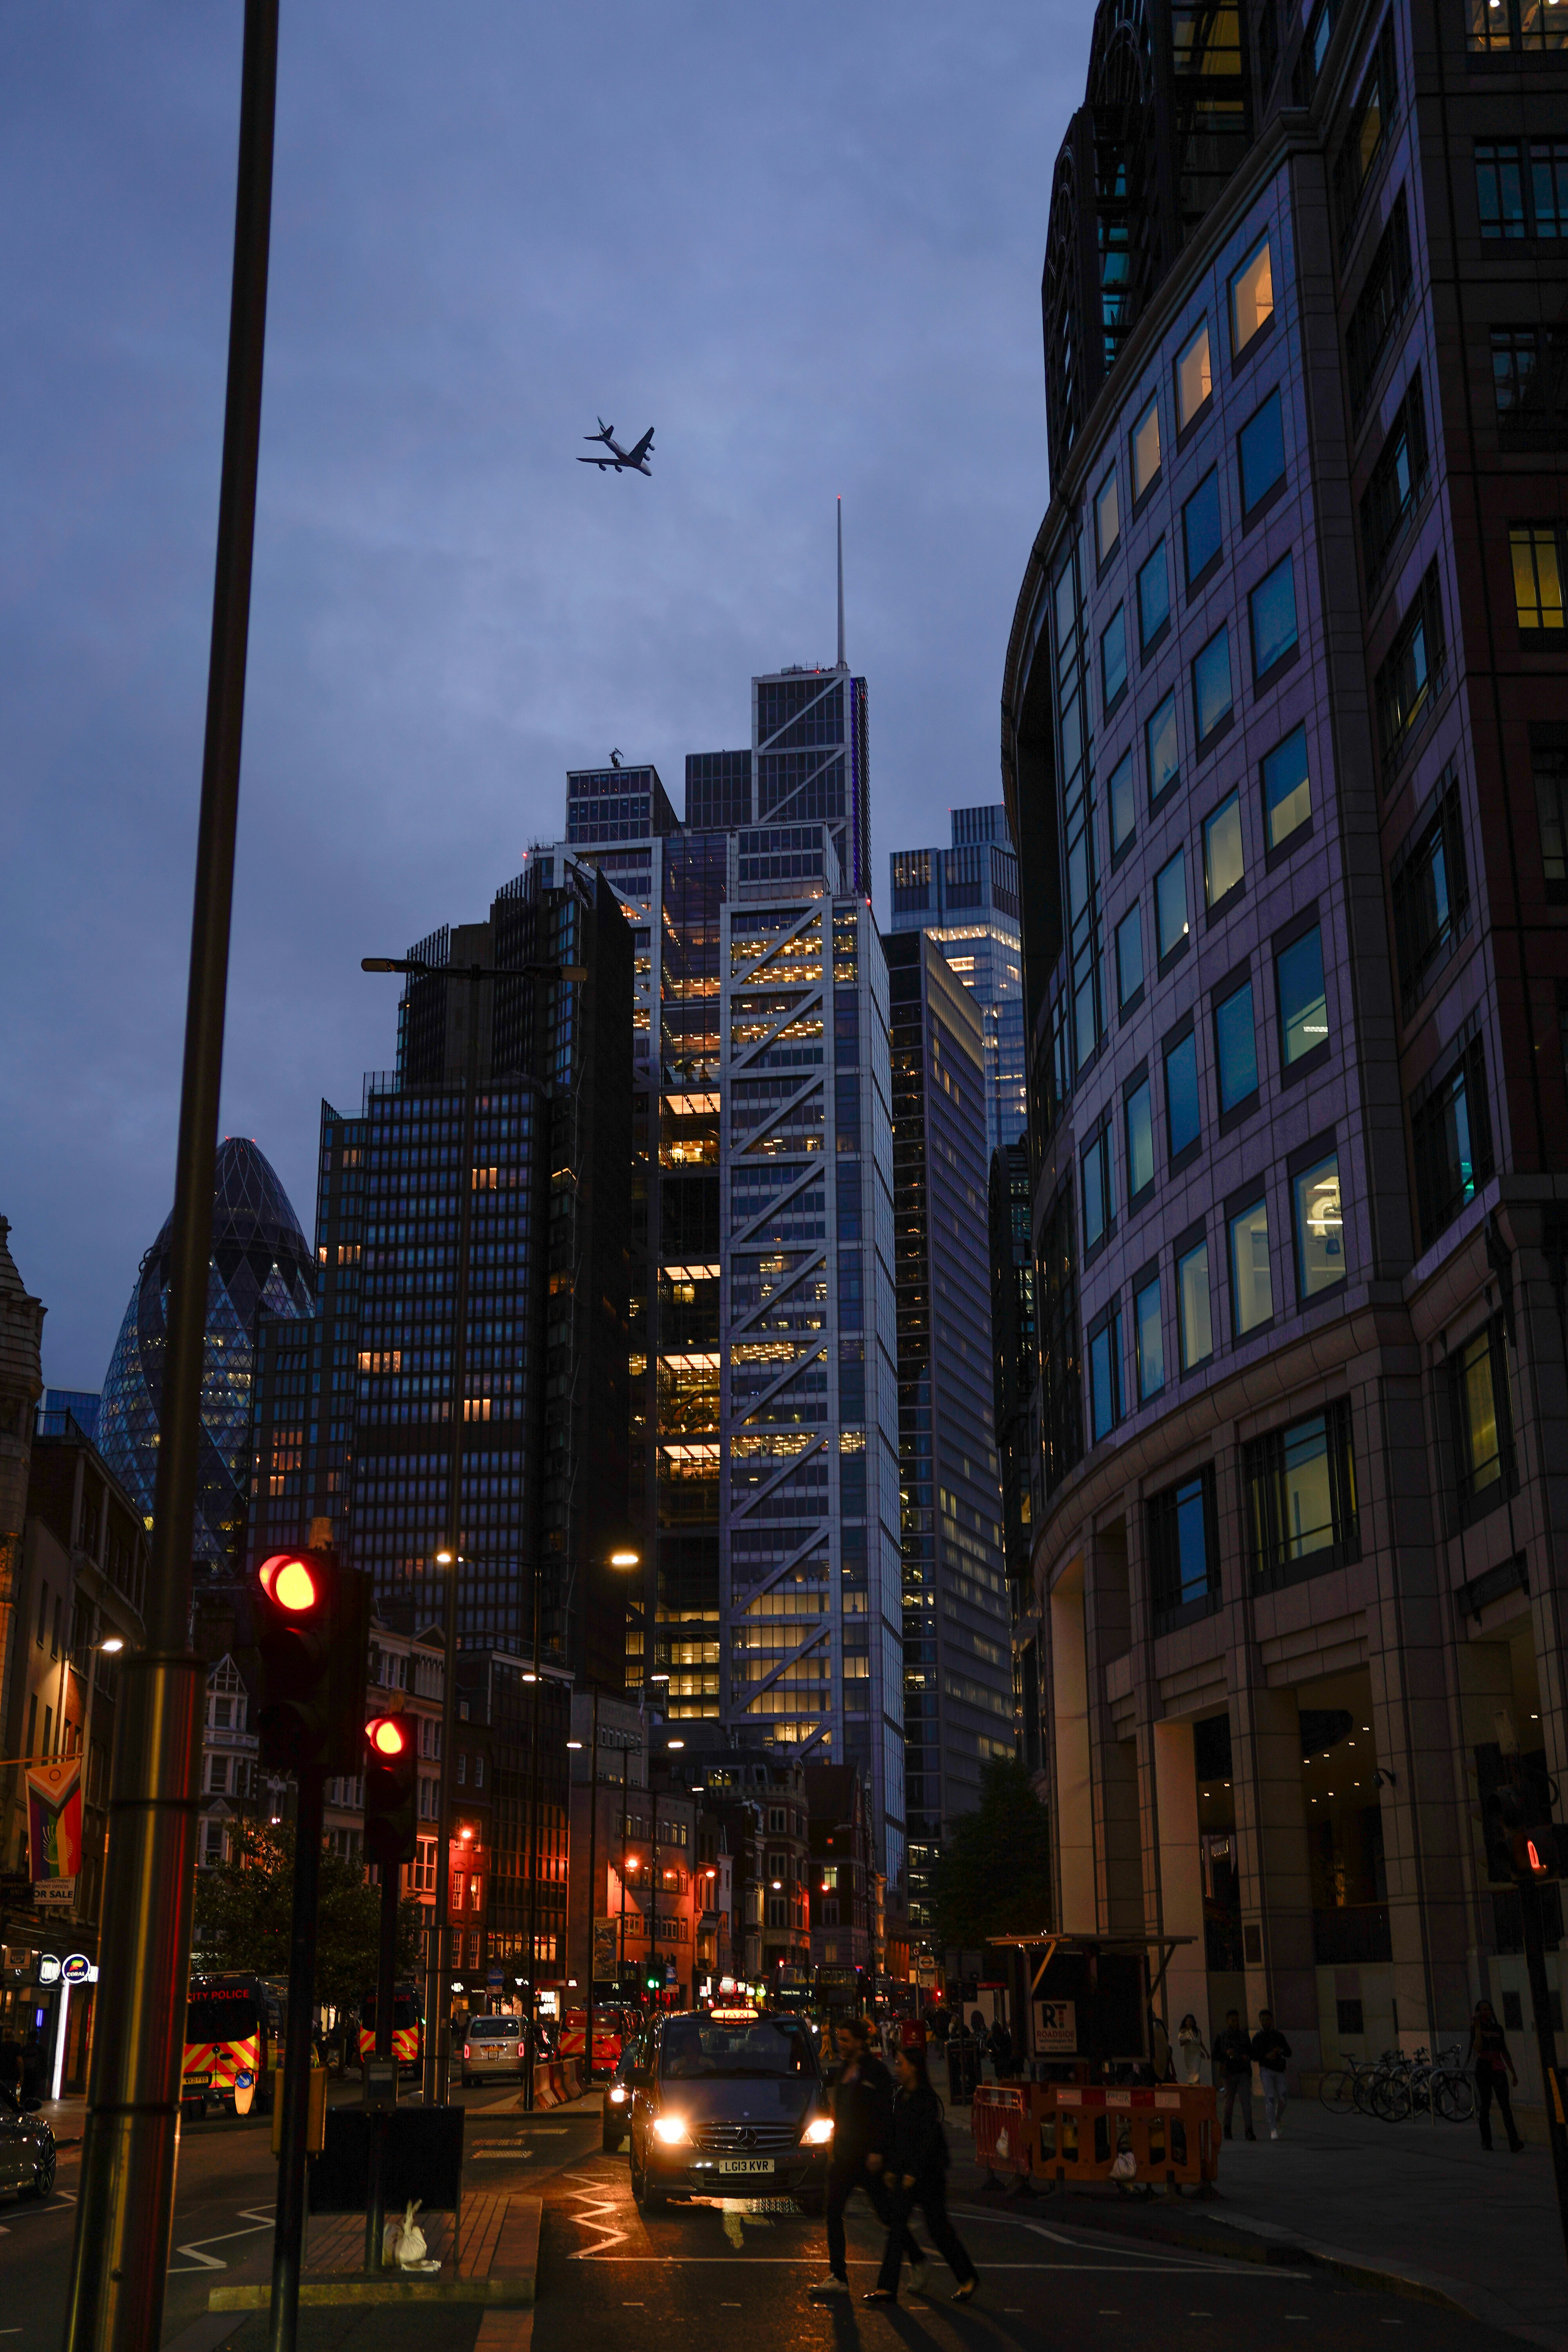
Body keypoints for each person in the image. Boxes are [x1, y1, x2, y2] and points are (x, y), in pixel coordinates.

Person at [811, 2015, 921, 2297]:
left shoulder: (877, 2072)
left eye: (846, 2039)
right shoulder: (844, 2069)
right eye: (839, 2038)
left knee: (886, 2214)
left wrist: (878, 2151)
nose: (840, 2044)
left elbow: (885, 2115)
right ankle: (838, 2275)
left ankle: (918, 2260)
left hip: (867, 2158)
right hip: (845, 2156)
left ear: (860, 2042)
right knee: (833, 2210)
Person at [864, 2033, 978, 2306]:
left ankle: (968, 2277)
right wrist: (893, 2169)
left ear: (914, 2067)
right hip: (907, 2175)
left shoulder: (926, 2100)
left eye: (901, 2063)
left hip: (927, 2176)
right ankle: (886, 2288)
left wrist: (911, 2173)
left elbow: (926, 2142)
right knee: (896, 2227)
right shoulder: (901, 2097)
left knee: (938, 2229)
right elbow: (896, 2137)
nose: (897, 2068)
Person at [1467, 1999, 1524, 2153]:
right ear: (1478, 2013)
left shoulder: (1498, 2029)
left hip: (1498, 2067)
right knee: (1485, 2105)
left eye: (1488, 2010)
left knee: (1505, 2105)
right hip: (1484, 2068)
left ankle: (1514, 2142)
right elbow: (1477, 2047)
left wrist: (1513, 2073)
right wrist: (1478, 2028)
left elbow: (1504, 2050)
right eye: (1482, 2010)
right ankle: (1486, 2141)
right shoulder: (1476, 2028)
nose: (1486, 2012)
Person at [1212, 2009, 1256, 2141]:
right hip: (1229, 2073)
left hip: (1243, 2071)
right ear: (1228, 2021)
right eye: (1233, 2021)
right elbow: (1215, 2056)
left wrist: (1246, 2057)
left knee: (1246, 2102)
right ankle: (1227, 2129)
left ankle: (1249, 2131)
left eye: (1237, 2020)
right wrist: (1227, 2053)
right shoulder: (1222, 2036)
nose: (1236, 2023)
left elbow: (1251, 2052)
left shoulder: (1243, 2035)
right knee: (1229, 2103)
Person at [1251, 2011, 1291, 2139]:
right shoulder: (1258, 2037)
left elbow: (1289, 2052)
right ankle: (1273, 2128)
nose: (1265, 2022)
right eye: (1263, 2020)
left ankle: (1277, 2118)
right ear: (1260, 2021)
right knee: (1270, 2097)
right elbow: (1254, 2056)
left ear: (1272, 2020)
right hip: (1266, 2070)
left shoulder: (1279, 2036)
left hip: (1279, 2070)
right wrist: (1266, 2056)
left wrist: (1281, 2050)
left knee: (1283, 2098)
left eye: (1268, 2019)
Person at [1176, 2013, 1208, 2086]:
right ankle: (1191, 2086)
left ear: (1194, 2022)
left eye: (1191, 2021)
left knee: (1196, 2071)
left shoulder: (1197, 2031)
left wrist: (1206, 2053)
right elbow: (1181, 2044)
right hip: (1188, 2053)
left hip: (1196, 2053)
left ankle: (1197, 2086)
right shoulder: (1183, 2031)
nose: (1189, 2023)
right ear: (1185, 2022)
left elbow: (1200, 2043)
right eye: (1187, 2021)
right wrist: (1186, 2041)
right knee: (1190, 2071)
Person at [986, 2015, 1014, 2080]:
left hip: (997, 2060)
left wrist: (992, 2053)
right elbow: (1009, 2047)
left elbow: (988, 2048)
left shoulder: (992, 2039)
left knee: (1000, 2078)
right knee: (1007, 2076)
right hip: (1005, 2059)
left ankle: (1000, 2088)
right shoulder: (1005, 2036)